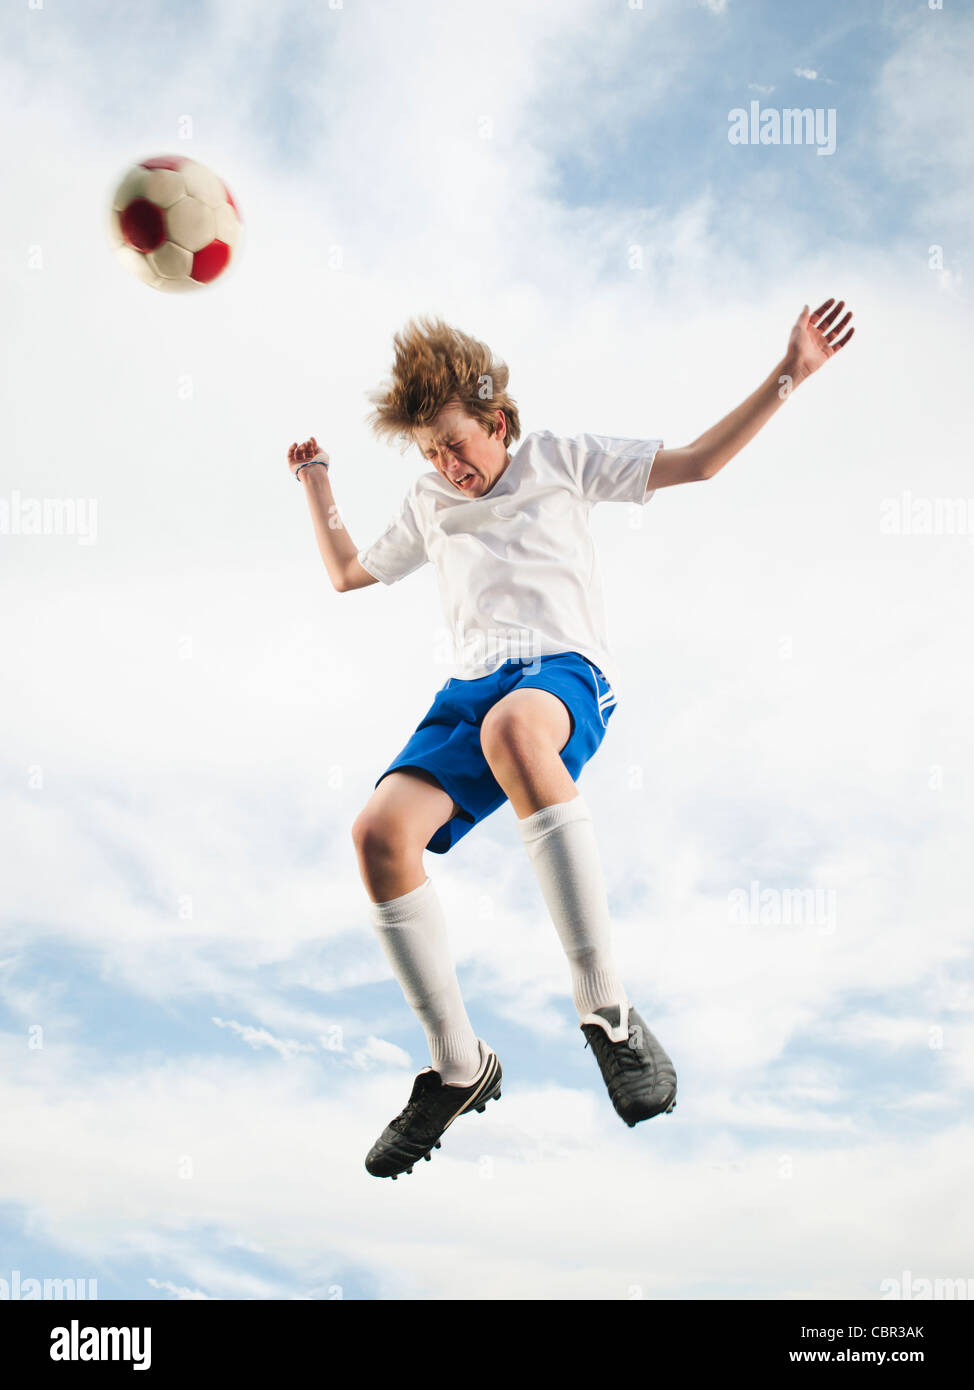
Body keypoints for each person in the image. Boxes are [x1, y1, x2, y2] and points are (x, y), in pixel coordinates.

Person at [287, 302, 854, 1180]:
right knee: (377, 836)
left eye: (458, 443)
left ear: (498, 422)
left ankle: (608, 1010)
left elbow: (698, 463)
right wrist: (318, 484)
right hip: (466, 696)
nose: (449, 465)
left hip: (558, 678)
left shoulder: (560, 460)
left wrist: (793, 371)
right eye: (432, 453)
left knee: (518, 729)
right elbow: (348, 572)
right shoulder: (430, 500)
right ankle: (457, 1068)